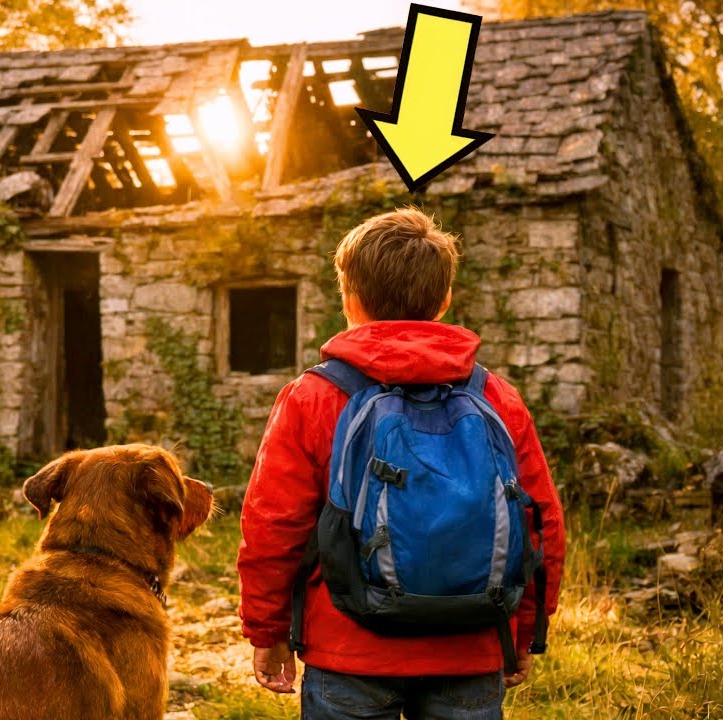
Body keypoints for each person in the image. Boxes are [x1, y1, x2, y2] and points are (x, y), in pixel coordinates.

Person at [237, 207, 565, 719]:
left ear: (349, 298)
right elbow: (539, 521)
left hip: (349, 648)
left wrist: (268, 631)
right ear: (445, 298)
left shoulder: (313, 397)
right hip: (471, 641)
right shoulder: (496, 396)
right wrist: (523, 632)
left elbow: (273, 524)